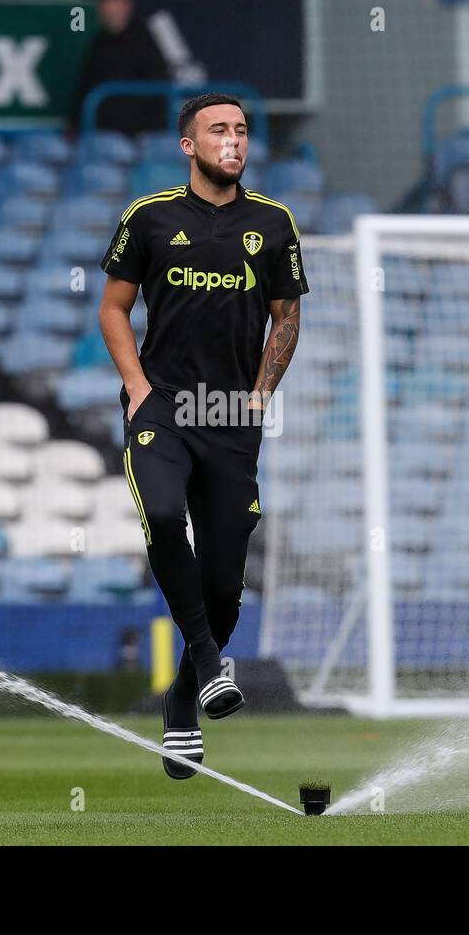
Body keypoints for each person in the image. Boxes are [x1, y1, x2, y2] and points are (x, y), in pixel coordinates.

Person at [98, 92, 307, 777]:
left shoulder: (273, 224)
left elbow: (287, 318)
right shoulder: (150, 218)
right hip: (162, 408)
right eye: (218, 130)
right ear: (188, 144)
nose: (234, 141)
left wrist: (260, 394)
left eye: (242, 130)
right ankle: (213, 666)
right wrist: (136, 387)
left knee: (225, 586)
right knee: (161, 512)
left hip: (230, 418)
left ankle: (182, 702)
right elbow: (114, 309)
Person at [70, 0, 170, 137]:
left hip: (135, 137)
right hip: (99, 133)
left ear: (127, 4)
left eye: (114, 1)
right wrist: (74, 123)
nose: (109, 8)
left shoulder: (143, 40)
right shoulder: (99, 42)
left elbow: (159, 89)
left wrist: (147, 131)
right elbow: (86, 87)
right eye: (104, 2)